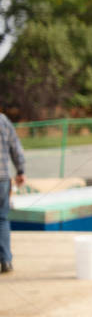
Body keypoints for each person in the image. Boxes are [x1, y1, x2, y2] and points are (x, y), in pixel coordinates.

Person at [0, 112, 26, 274]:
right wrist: (21, 170)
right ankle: (6, 260)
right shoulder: (2, 120)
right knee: (2, 219)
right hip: (2, 179)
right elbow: (15, 147)